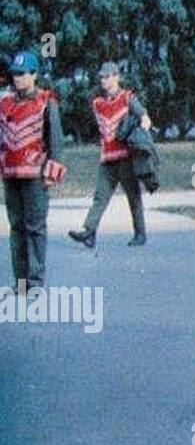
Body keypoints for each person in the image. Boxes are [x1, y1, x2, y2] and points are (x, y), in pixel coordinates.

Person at [1, 51, 66, 294]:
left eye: (23, 74)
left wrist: (51, 172)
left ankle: (36, 281)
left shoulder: (46, 101)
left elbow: (55, 141)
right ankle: (20, 282)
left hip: (36, 175)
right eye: (15, 74)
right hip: (11, 174)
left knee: (35, 227)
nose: (18, 79)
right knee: (16, 227)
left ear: (34, 75)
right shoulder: (5, 102)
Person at [68, 62, 151, 249]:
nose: (104, 80)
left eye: (107, 77)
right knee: (100, 197)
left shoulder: (127, 98)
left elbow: (145, 119)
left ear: (116, 77)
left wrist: (139, 135)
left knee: (133, 196)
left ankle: (140, 234)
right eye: (102, 77)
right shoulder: (98, 103)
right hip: (107, 159)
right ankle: (89, 233)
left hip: (126, 159)